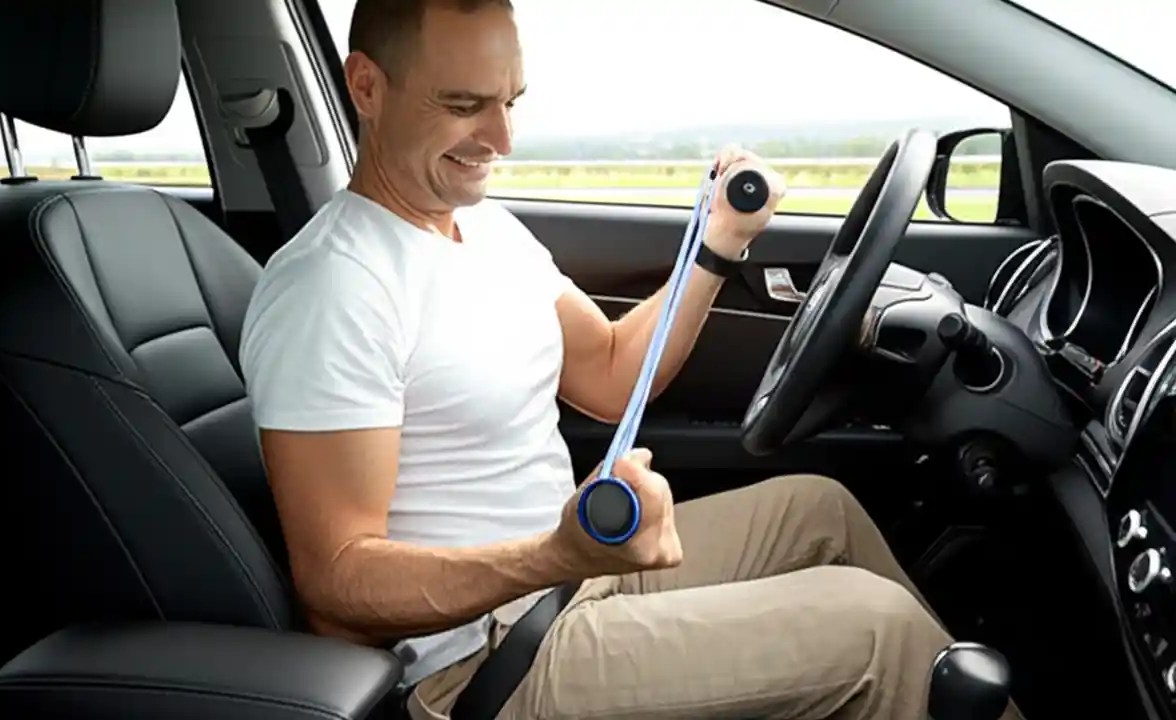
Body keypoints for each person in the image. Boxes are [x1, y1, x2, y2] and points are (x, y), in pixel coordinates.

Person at [238, 1, 1022, 718]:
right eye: (464, 105)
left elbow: (613, 376)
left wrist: (717, 245)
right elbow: (336, 585)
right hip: (478, 664)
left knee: (821, 510)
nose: (503, 140)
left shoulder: (487, 234)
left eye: (510, 101)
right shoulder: (332, 288)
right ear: (366, 87)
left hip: (564, 580)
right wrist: (551, 554)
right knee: (876, 631)